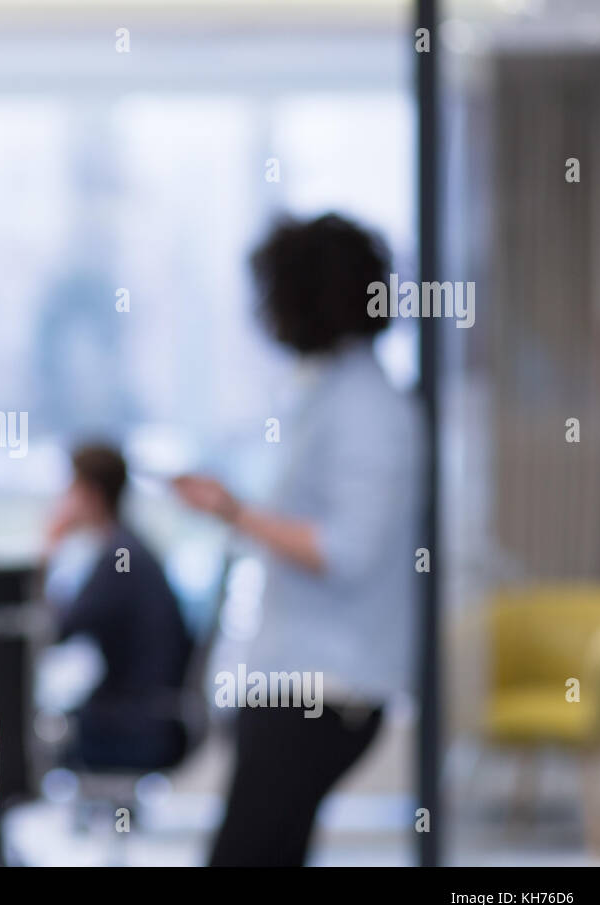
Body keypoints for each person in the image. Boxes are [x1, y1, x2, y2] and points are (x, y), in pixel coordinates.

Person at [173, 213, 425, 866]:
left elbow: (346, 551)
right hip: (297, 682)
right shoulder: (333, 393)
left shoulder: (367, 407)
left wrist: (232, 510)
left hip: (322, 692)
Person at [43, 443, 197, 772]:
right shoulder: (128, 547)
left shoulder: (120, 559)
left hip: (134, 726)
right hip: (148, 716)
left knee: (31, 731)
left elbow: (57, 629)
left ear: (90, 493)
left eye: (71, 489)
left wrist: (49, 549)